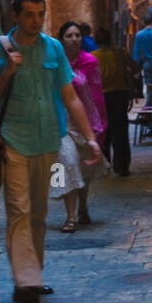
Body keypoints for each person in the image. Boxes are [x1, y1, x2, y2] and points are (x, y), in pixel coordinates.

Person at [0, 0, 100, 303]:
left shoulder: (53, 48)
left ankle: (32, 275)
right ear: (15, 16)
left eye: (40, 14)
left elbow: (69, 96)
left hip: (48, 140)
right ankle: (25, 280)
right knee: (19, 210)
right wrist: (7, 72)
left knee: (38, 211)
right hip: (13, 139)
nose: (36, 21)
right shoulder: (1, 50)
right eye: (29, 14)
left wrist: (89, 136)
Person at [51, 22, 108, 233]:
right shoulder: (54, 63)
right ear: (61, 39)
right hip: (62, 122)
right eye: (69, 35)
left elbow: (96, 95)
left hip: (84, 121)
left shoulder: (90, 62)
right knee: (68, 162)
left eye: (77, 35)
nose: (74, 39)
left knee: (84, 169)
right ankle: (70, 217)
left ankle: (83, 207)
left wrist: (98, 125)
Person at [93, 27, 134, 176]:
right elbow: (135, 68)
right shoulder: (120, 53)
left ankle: (105, 165)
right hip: (119, 95)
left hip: (101, 98)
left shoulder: (92, 57)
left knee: (104, 131)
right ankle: (122, 165)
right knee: (121, 132)